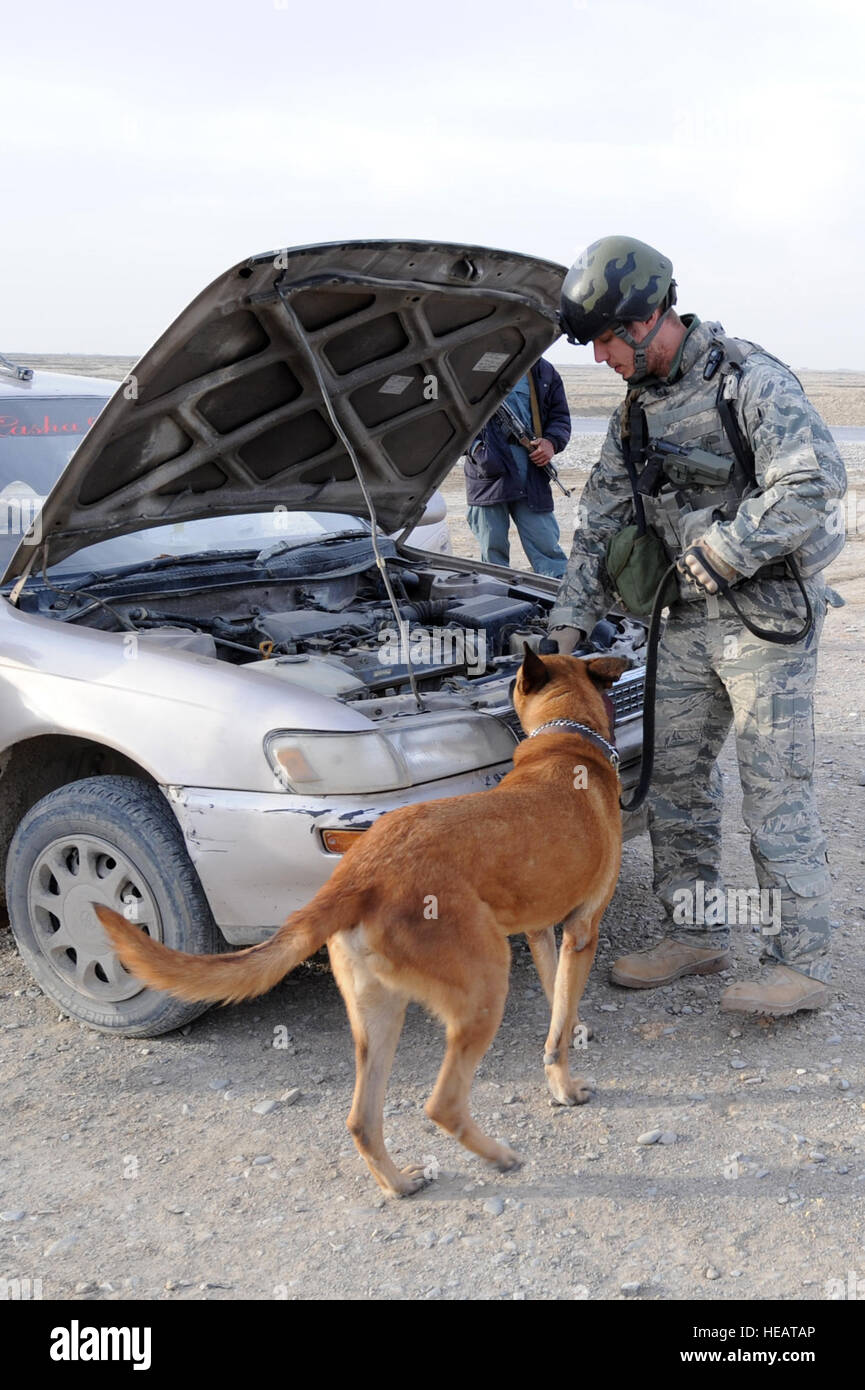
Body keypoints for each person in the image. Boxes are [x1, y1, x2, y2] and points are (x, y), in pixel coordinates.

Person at [548, 235, 846, 1015]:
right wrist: (567, 627)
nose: (602, 357)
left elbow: (812, 483)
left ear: (649, 318)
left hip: (763, 619)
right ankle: (695, 930)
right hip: (682, 623)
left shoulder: (747, 378)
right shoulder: (635, 409)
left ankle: (802, 962)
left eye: (608, 339)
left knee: (773, 789)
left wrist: (724, 549)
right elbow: (600, 520)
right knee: (675, 780)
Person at [464, 357, 571, 577]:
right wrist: (476, 450)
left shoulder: (544, 371)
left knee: (547, 548)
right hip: (488, 475)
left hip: (531, 469)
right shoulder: (469, 362)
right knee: (492, 554)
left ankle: (560, 604)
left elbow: (560, 418)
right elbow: (449, 418)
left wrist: (551, 443)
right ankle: (497, 603)